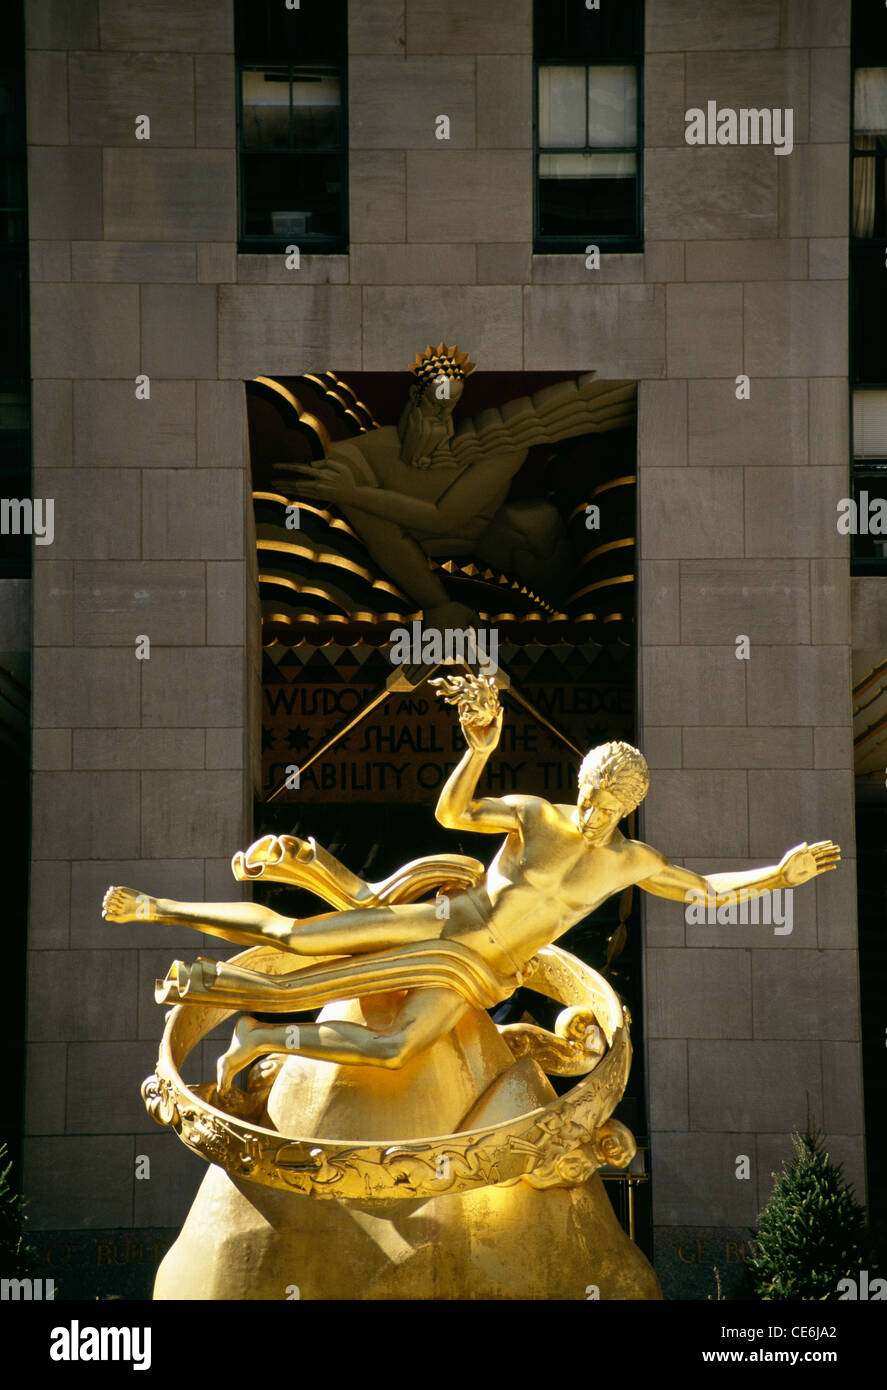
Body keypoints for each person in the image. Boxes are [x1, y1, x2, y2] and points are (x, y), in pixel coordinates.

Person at [103, 674, 839, 1090]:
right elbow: (452, 813)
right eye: (588, 798)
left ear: (629, 808)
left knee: (395, 1050)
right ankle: (155, 908)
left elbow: (704, 891)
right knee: (296, 936)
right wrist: (479, 749)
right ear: (578, 786)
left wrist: (778, 875)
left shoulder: (631, 862)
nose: (592, 815)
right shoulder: (535, 815)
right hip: (447, 922)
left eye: (609, 808)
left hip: (481, 972)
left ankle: (262, 1036)